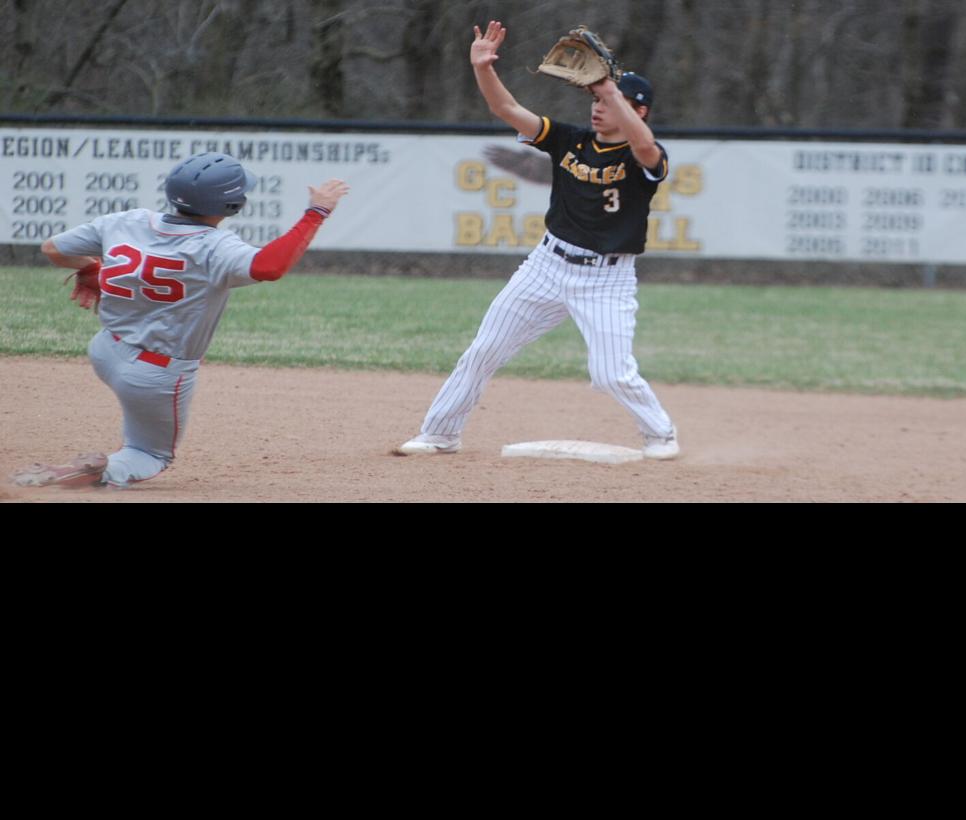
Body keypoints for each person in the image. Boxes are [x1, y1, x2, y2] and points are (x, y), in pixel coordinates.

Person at [396, 20, 679, 460]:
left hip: (606, 280)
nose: (598, 106)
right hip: (546, 267)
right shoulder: (569, 140)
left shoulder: (644, 154)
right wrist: (483, 68)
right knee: (484, 350)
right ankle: (440, 433)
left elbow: (647, 149)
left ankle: (661, 433)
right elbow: (507, 108)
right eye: (595, 98)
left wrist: (608, 87)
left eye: (612, 100)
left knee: (610, 374)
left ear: (638, 111)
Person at [12, 154, 348, 490]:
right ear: (233, 204)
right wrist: (316, 213)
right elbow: (269, 267)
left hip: (105, 348)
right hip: (155, 374)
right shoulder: (216, 246)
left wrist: (89, 268)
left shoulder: (126, 220)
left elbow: (53, 248)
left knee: (138, 410)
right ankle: (91, 472)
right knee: (149, 453)